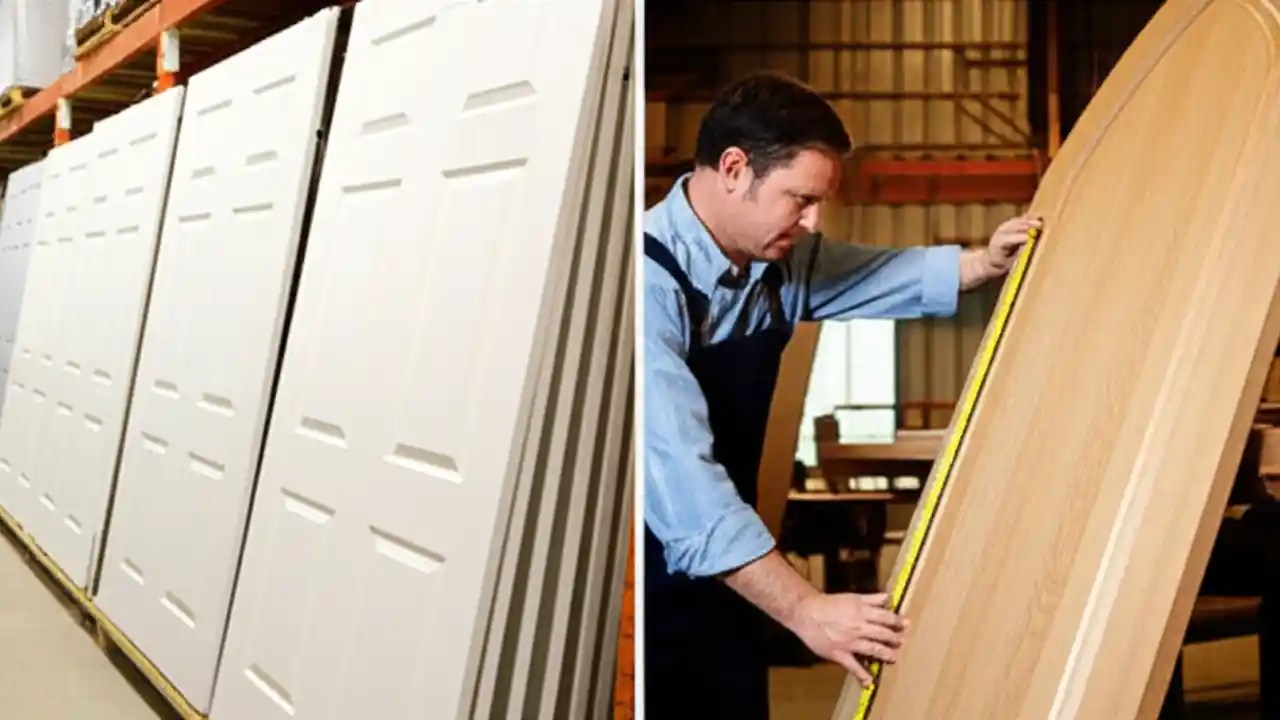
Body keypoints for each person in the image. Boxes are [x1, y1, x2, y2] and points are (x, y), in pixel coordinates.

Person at [642, 70, 1041, 719]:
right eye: (800, 199)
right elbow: (684, 488)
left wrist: (982, 263)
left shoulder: (776, 265)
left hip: (737, 577)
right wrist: (804, 608)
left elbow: (876, 273)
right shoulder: (646, 291)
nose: (812, 221)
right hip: (654, 574)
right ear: (735, 168)